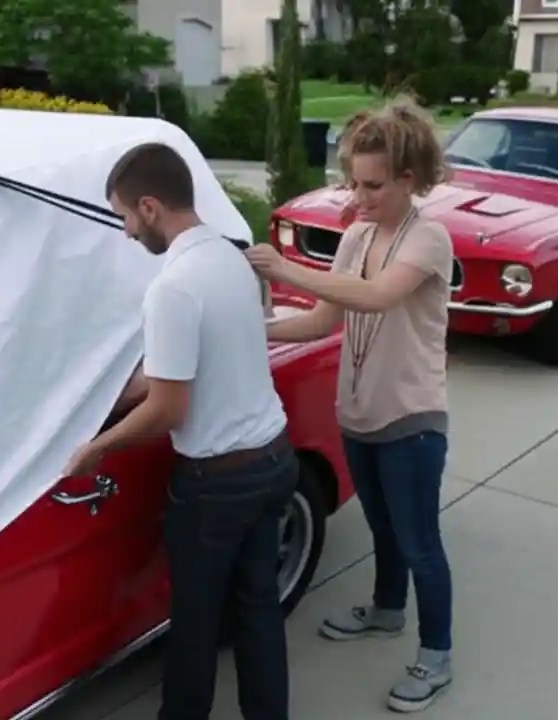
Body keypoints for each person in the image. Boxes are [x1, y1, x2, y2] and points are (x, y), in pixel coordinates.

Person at [62, 142, 297, 720]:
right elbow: (200, 360)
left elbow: (169, 409)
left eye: (122, 216)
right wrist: (120, 391)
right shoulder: (229, 257)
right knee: (258, 608)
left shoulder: (172, 287)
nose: (123, 231)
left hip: (216, 487)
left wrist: (95, 448)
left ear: (149, 206)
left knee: (194, 622)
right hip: (272, 460)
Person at [245, 97, 455, 714]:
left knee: (420, 543)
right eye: (352, 182)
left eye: (373, 185)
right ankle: (387, 611)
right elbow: (321, 322)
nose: (358, 197)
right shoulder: (357, 235)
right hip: (358, 415)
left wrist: (286, 267)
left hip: (411, 419)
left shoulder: (430, 238)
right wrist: (250, 327)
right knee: (382, 527)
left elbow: (374, 297)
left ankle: (436, 655)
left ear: (409, 180)